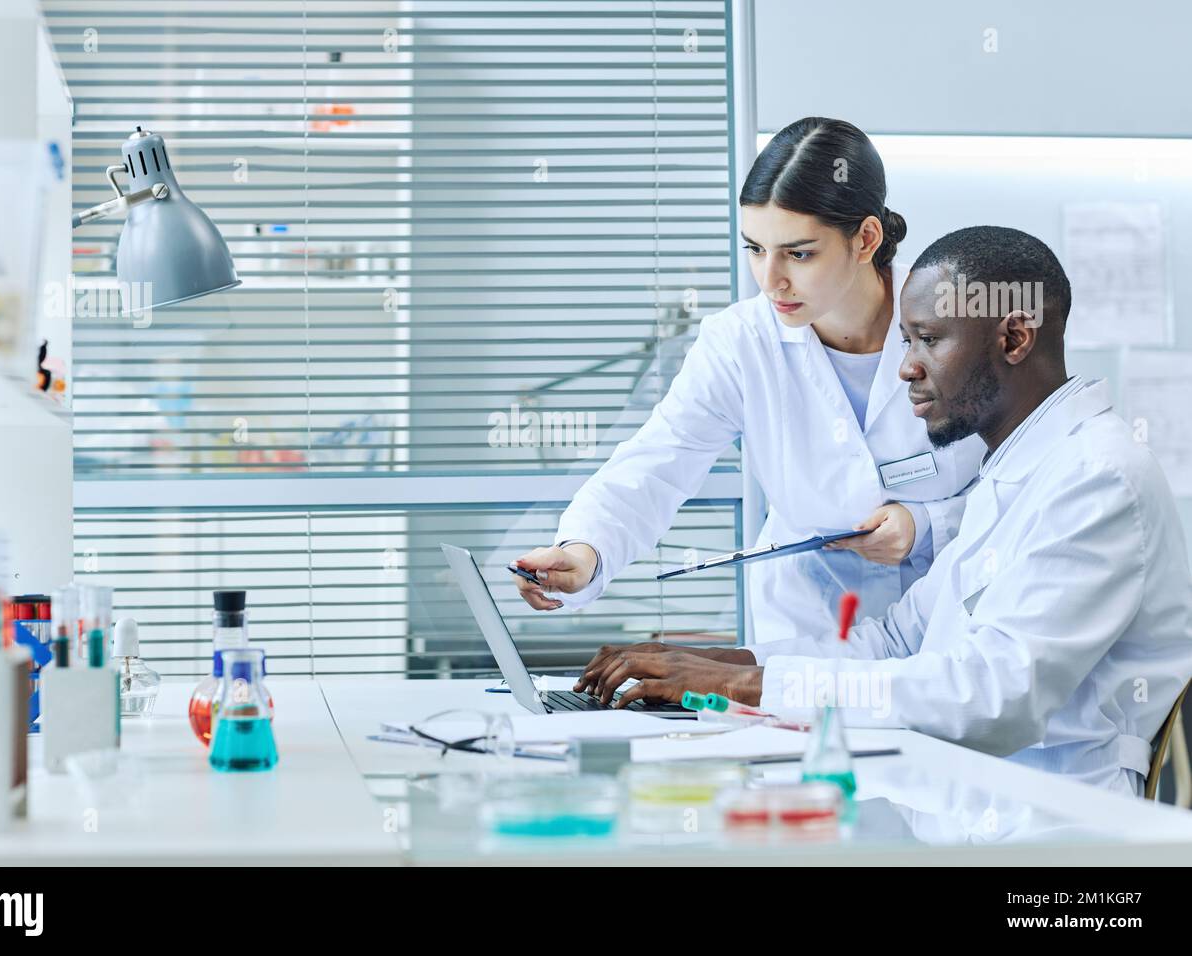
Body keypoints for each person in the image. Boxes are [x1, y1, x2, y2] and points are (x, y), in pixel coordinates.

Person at [575, 225, 1192, 795]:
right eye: (906, 339)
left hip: (1053, 826)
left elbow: (991, 698)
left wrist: (748, 685)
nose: (906, 368)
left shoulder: (1095, 479)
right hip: (967, 802)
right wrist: (718, 663)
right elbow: (900, 639)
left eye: (928, 339)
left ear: (1014, 337)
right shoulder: (1017, 470)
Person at [511, 117, 984, 643]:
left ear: (866, 238)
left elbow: (1029, 480)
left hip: (952, 615)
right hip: (810, 626)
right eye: (755, 249)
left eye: (799, 253)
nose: (770, 280)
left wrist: (928, 525)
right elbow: (659, 460)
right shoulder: (740, 342)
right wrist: (584, 551)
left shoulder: (960, 320)